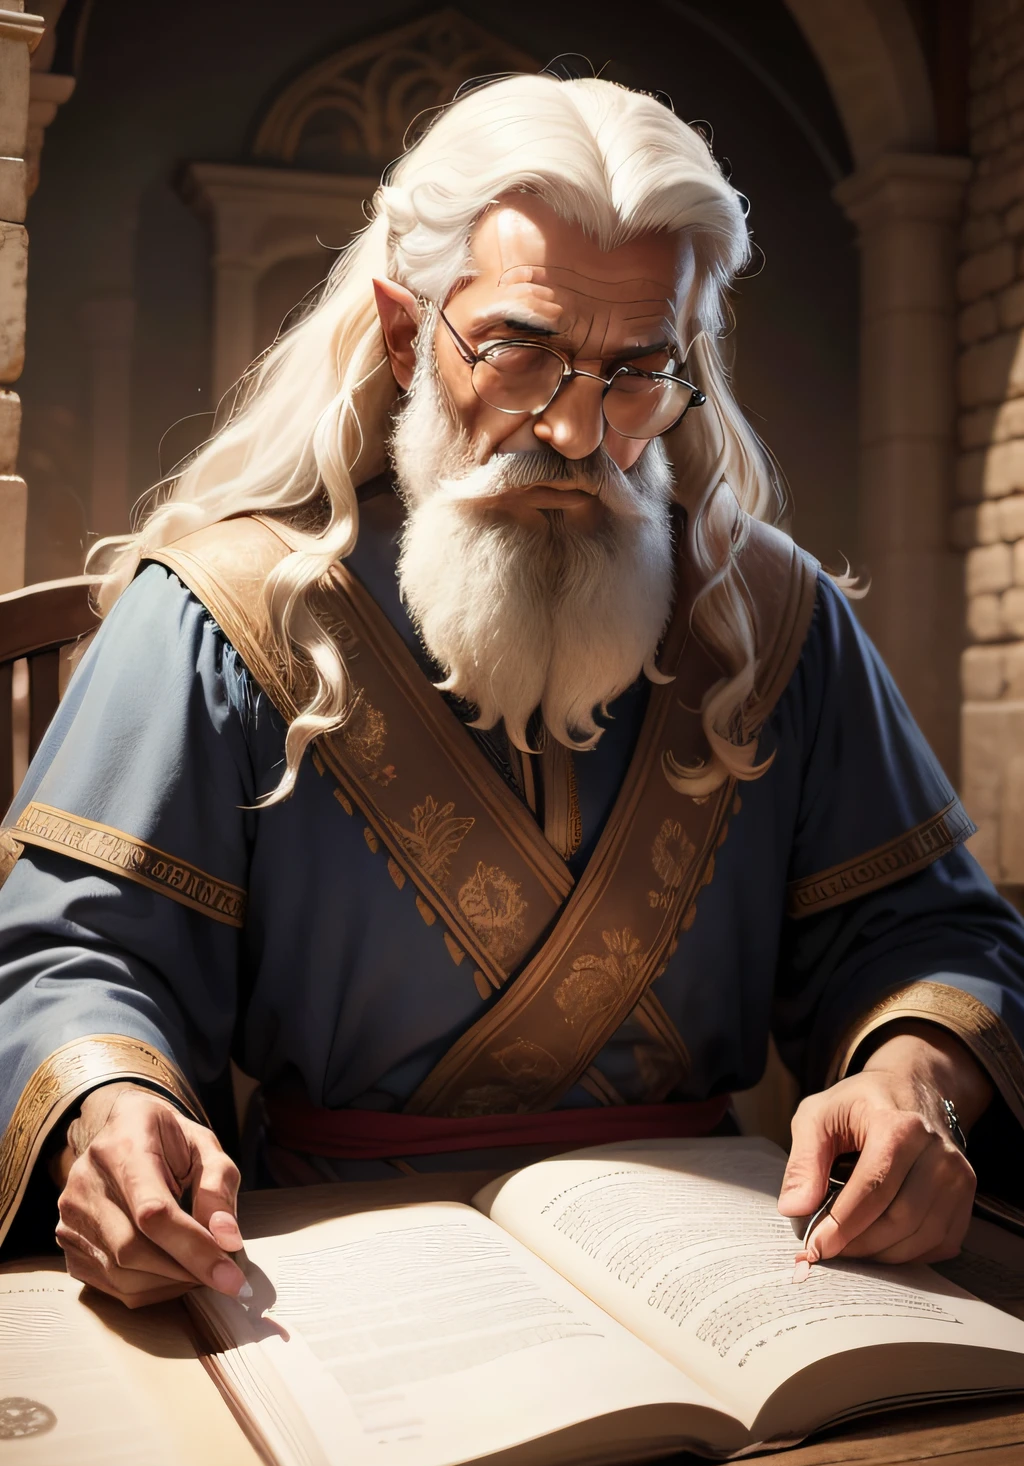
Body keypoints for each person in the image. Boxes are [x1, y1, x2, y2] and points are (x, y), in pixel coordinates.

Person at [0, 74, 1021, 1312]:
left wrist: (917, 1072)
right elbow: (73, 959)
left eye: (635, 370)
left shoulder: (771, 616)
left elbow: (929, 933)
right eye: (522, 350)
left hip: (731, 1272)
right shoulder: (226, 613)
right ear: (399, 330)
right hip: (317, 1275)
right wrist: (115, 1103)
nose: (579, 433)